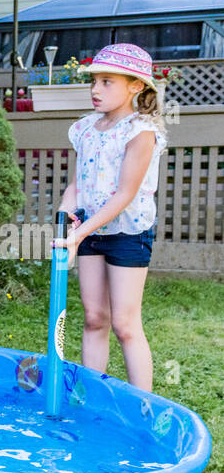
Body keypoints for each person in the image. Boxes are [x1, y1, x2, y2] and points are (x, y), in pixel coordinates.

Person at [55, 43, 167, 392]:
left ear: (136, 86)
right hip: (89, 231)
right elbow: (77, 183)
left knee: (124, 323)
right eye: (93, 82)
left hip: (127, 233)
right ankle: (93, 397)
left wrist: (78, 234)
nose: (95, 89)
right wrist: (63, 219)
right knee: (94, 318)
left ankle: (143, 405)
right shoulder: (86, 128)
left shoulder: (141, 131)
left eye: (106, 82)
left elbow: (125, 194)